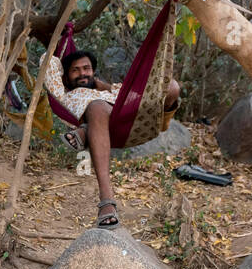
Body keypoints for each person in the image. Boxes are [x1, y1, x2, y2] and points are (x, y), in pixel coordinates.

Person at [58, 49, 181, 228]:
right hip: (101, 120)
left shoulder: (111, 89)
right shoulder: (66, 94)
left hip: (132, 120)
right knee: (97, 107)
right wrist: (65, 34)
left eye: (86, 68)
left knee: (172, 87)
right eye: (75, 70)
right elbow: (47, 63)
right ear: (66, 77)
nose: (82, 73)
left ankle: (84, 133)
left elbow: (134, 94)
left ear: (94, 72)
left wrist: (104, 86)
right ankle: (107, 200)